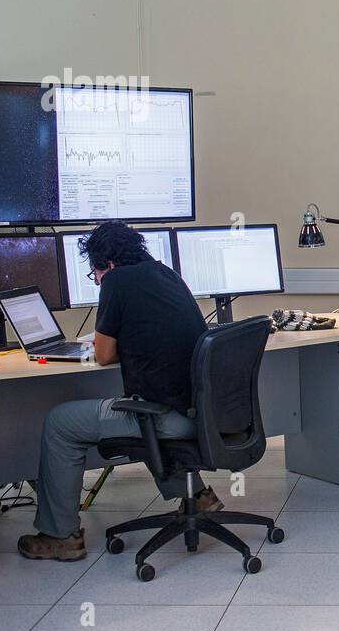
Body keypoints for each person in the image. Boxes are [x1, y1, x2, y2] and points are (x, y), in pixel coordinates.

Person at [18, 220, 219, 561]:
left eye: (93, 272)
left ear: (106, 264)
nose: (95, 280)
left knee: (60, 421)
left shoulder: (116, 282)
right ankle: (197, 496)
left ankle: (60, 536)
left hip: (167, 418)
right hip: (199, 413)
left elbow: (104, 354)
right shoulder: (165, 273)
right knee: (145, 404)